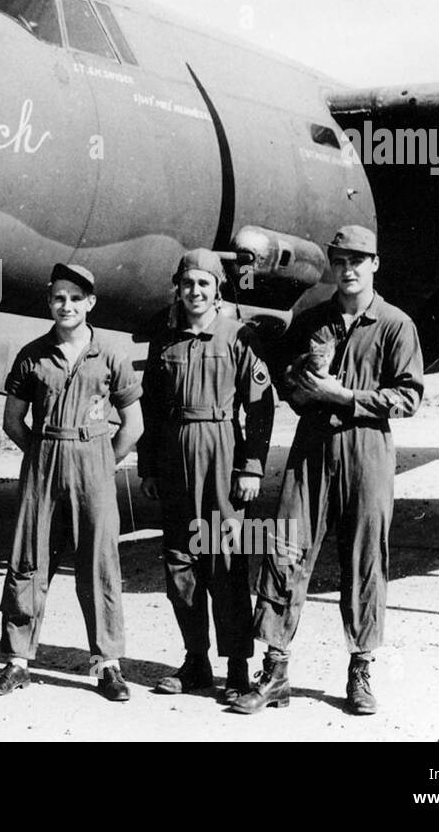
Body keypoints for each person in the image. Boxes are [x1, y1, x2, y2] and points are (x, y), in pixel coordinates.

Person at [232, 225, 423, 715]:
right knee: (286, 550)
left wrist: (347, 397)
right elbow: (290, 385)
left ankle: (360, 670)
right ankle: (275, 671)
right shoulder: (312, 319)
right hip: (313, 445)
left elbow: (408, 397)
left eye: (359, 260)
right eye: (341, 260)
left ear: (375, 264)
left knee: (364, 558)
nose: (349, 269)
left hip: (367, 449)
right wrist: (298, 383)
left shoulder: (395, 325)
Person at [0, 264, 143, 701]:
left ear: (90, 303)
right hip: (44, 458)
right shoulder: (33, 354)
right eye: (59, 297)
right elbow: (13, 420)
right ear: (49, 302)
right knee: (28, 561)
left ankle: (108, 664)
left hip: (94, 458)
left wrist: (102, 462)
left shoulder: (110, 356)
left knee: (99, 565)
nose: (66, 305)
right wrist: (41, 454)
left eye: (75, 298)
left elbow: (133, 425)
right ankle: (17, 661)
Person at [138, 249, 274, 702]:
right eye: (188, 284)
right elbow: (152, 407)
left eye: (205, 284)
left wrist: (251, 466)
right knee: (180, 561)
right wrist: (149, 465)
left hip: (221, 448)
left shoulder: (239, 336)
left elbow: (259, 406)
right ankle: (195, 660)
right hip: (175, 453)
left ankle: (237, 666)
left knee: (225, 559)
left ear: (218, 291)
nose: (195, 292)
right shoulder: (165, 339)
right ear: (178, 287)